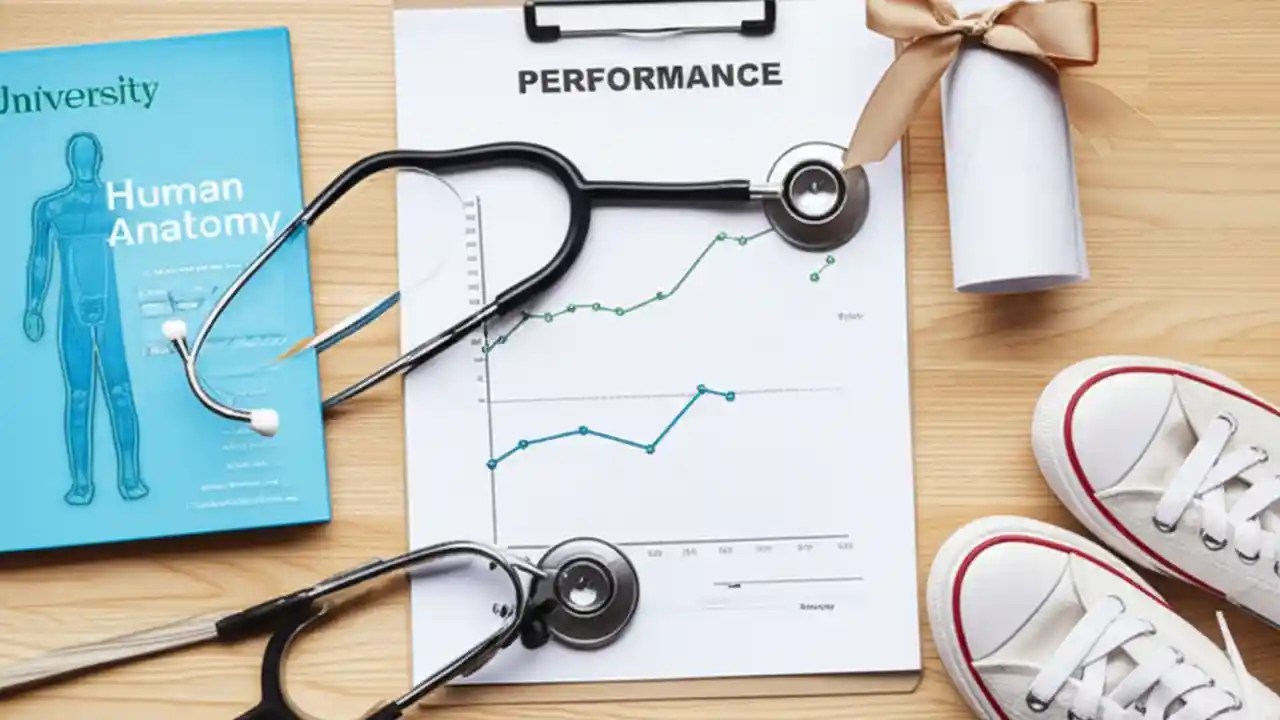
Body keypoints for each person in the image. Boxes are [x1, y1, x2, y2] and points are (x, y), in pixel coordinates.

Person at [23, 132, 147, 506]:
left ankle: (130, 477)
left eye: (88, 154)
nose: (84, 161)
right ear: (70, 160)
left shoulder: (117, 202)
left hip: (113, 311)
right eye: (79, 154)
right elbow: (40, 258)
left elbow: (151, 243)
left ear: (98, 158)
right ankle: (81, 484)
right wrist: (33, 305)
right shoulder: (52, 207)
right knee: (79, 396)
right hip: (70, 314)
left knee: (120, 391)